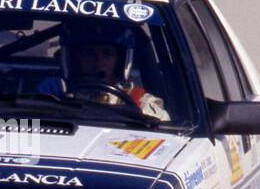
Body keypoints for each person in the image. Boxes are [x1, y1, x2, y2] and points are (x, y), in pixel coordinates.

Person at [37, 21, 169, 120]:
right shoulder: (53, 93)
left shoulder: (141, 103)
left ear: (120, 61)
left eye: (108, 54)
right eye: (89, 53)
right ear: (74, 59)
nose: (99, 61)